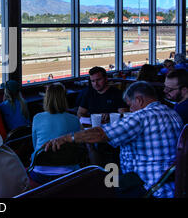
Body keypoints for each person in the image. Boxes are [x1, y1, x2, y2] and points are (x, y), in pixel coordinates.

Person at [44, 81, 183, 198]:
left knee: (96, 185)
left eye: (130, 105)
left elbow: (100, 134)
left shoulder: (141, 116)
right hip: (170, 180)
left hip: (147, 184)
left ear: (139, 100)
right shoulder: (172, 112)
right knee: (110, 173)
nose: (130, 109)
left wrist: (67, 138)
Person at [30, 83, 82, 184]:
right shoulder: (74, 119)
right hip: (68, 172)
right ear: (64, 98)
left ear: (46, 98)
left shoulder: (37, 118)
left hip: (39, 173)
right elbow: (77, 146)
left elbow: (35, 146)